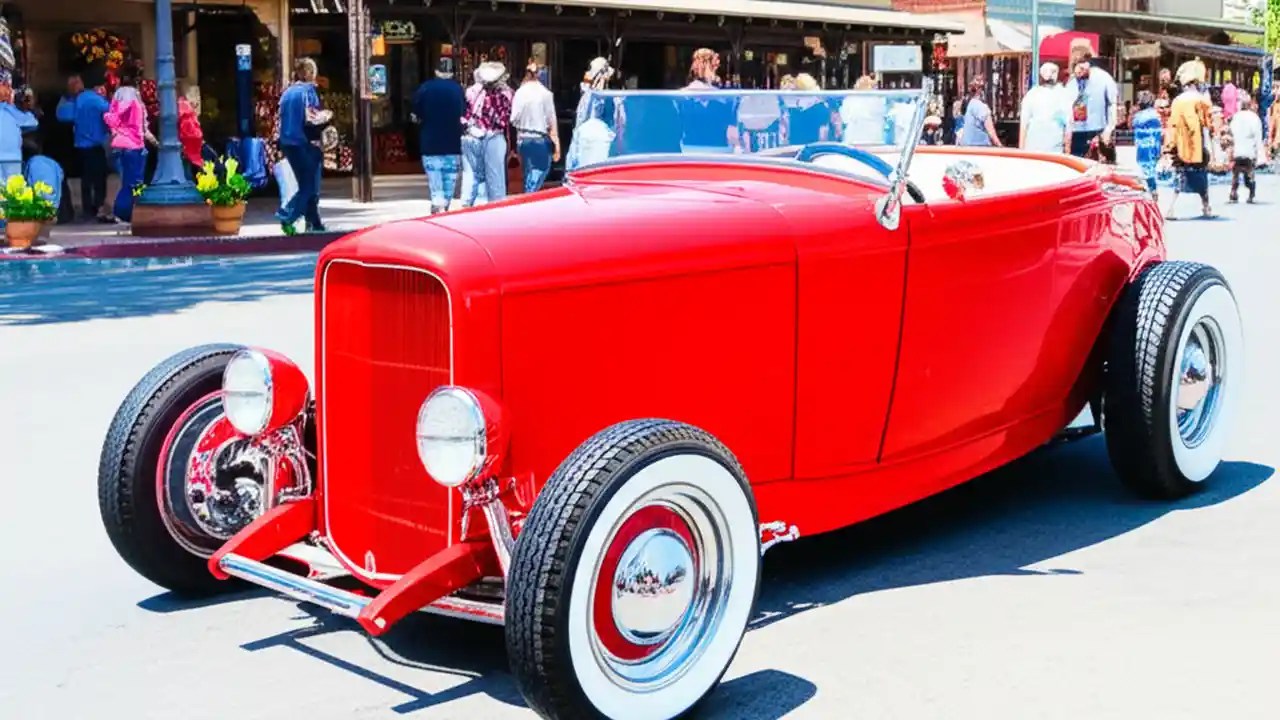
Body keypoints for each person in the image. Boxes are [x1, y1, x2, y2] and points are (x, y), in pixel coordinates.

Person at [275, 57, 331, 233]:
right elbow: (313, 118)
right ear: (310, 73)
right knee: (309, 186)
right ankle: (288, 214)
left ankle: (314, 222)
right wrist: (327, 115)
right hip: (305, 142)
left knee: (306, 184)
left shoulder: (287, 93)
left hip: (288, 143)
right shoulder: (308, 91)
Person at [412, 56, 465, 214]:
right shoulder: (458, 90)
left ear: (436, 71)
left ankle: (437, 203)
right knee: (450, 178)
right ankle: (446, 206)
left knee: (435, 179)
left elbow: (415, 115)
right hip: (453, 142)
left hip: (430, 142)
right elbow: (463, 113)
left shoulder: (425, 88)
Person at [55, 74, 111, 222]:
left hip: (81, 147)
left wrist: (66, 99)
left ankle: (88, 210)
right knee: (99, 179)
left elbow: (61, 115)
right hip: (96, 145)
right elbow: (109, 110)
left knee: (86, 180)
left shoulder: (72, 103)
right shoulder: (93, 98)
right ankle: (99, 206)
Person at [1163, 60, 1214, 219]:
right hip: (1198, 147)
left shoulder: (1177, 101)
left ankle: (1171, 209)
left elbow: (1172, 125)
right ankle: (1206, 207)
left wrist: (1168, 147)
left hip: (1181, 147)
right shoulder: (1202, 100)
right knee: (1201, 178)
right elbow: (1207, 126)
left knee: (1179, 179)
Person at [460, 61, 513, 207]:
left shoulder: (471, 91)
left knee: (471, 175)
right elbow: (507, 119)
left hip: (471, 135)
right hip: (494, 137)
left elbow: (464, 113)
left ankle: (470, 205)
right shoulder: (506, 94)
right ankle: (495, 208)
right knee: (495, 176)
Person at [102, 66, 150, 224]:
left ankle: (121, 212)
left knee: (125, 181)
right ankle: (124, 213)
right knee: (134, 182)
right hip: (134, 144)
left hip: (119, 144)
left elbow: (112, 118)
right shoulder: (133, 96)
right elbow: (141, 125)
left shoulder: (117, 95)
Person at [510, 60, 559, 194]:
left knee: (527, 171)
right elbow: (551, 120)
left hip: (523, 138)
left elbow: (513, 118)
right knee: (541, 169)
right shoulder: (546, 94)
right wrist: (557, 144)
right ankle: (530, 195)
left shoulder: (520, 92)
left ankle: (528, 195)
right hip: (539, 137)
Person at [678, 48, 739, 152]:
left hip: (714, 151)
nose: (717, 69)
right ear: (706, 65)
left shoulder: (723, 98)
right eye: (714, 66)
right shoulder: (722, 99)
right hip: (693, 151)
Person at [1067, 44, 1117, 158]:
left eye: (1080, 68)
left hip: (1098, 131)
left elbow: (1112, 103)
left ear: (1087, 63)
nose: (1077, 73)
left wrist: (1109, 129)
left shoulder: (1104, 78)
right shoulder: (1071, 82)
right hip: (1077, 132)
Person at [1019, 62, 1071, 154]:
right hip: (1055, 151)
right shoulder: (1064, 94)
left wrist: (1021, 151)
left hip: (1032, 150)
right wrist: (1067, 152)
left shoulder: (1031, 94)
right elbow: (1068, 127)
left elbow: (1023, 126)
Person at [1227, 98, 1263, 204]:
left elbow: (1231, 132)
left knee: (1235, 173)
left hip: (1237, 150)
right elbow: (1258, 137)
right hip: (1249, 151)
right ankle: (1251, 194)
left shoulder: (1235, 117)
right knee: (1250, 172)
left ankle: (1233, 192)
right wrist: (1259, 152)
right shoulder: (1254, 118)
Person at [0, 84, 37, 187]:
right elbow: (33, 123)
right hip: (13, 159)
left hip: (10, 158)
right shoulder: (12, 112)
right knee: (13, 194)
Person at [1131, 91, 1163, 200]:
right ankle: (1152, 189)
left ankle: (1150, 190)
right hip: (1154, 145)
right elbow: (1159, 133)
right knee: (1151, 168)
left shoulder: (1138, 116)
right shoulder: (1156, 115)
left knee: (1145, 169)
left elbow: (1134, 128)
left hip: (1142, 147)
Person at [956, 78, 1001, 147]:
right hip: (980, 148)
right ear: (981, 90)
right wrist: (1000, 146)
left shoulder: (970, 104)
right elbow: (991, 132)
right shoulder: (981, 107)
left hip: (967, 147)